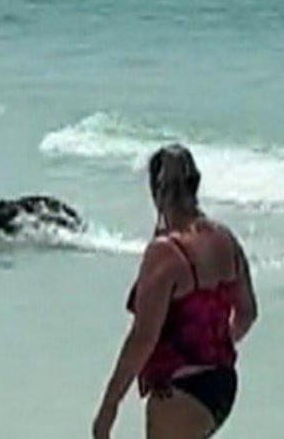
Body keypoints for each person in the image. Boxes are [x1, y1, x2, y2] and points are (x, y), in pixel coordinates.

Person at [93, 145, 258, 439]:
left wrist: (109, 406)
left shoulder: (165, 252)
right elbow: (247, 313)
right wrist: (213, 349)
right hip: (223, 384)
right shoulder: (225, 239)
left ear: (157, 194)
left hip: (181, 389)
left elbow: (142, 338)